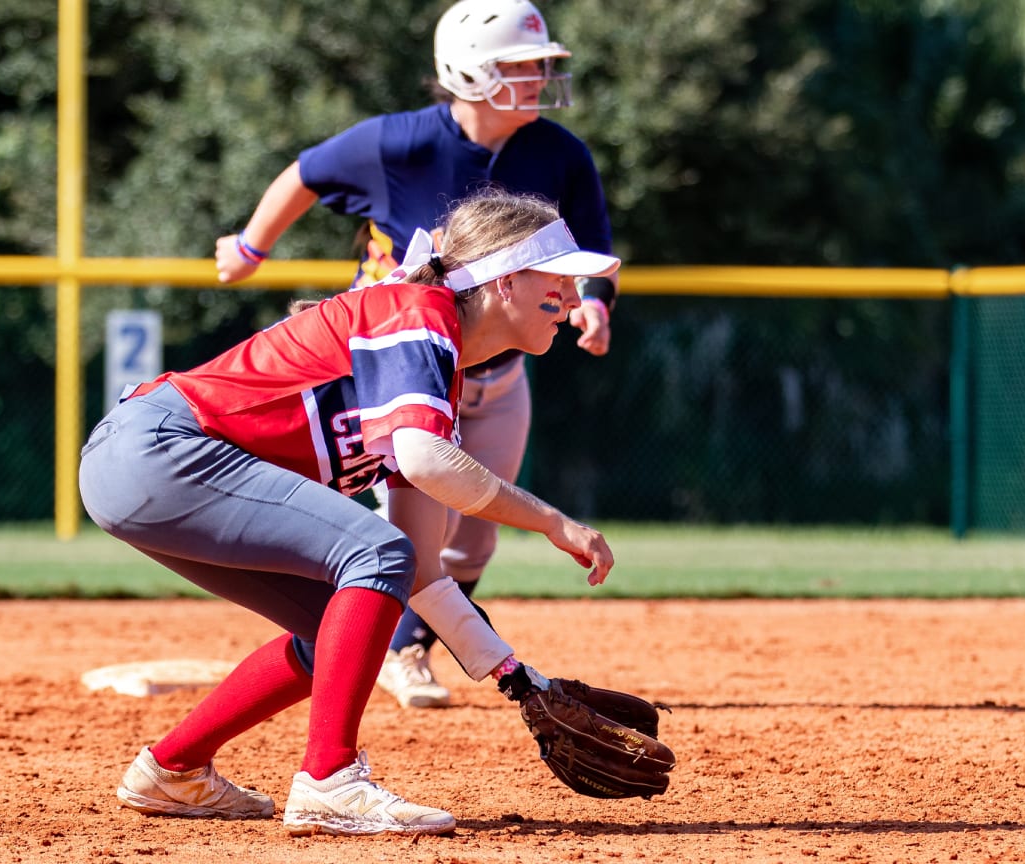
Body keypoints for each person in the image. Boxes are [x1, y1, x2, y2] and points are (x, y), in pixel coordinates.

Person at [81, 190, 621, 837]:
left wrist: (515, 676)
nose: (572, 297)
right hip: (160, 448)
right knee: (376, 556)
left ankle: (172, 768)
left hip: (150, 466)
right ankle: (330, 781)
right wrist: (554, 522)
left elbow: (421, 571)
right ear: (505, 280)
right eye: (558, 277)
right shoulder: (417, 313)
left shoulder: (433, 363)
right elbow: (424, 463)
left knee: (338, 628)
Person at [214, 0, 617, 710]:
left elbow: (589, 247)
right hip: (403, 371)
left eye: (539, 65)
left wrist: (594, 302)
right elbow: (304, 173)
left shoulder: (560, 151)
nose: (538, 78)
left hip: (497, 373)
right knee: (402, 529)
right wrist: (251, 247)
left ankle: (414, 646)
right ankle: (388, 652)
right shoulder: (398, 142)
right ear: (470, 71)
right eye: (520, 66)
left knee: (475, 538)